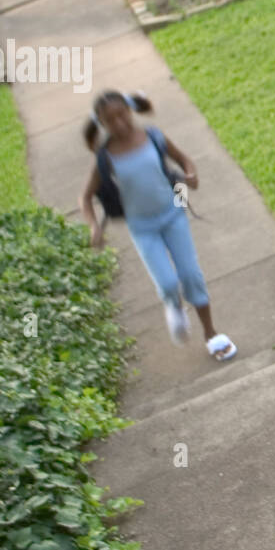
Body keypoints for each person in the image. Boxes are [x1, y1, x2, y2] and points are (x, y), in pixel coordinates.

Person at [79, 90, 237, 362]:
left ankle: (211, 334)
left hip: (173, 215)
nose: (118, 124)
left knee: (190, 275)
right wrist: (94, 226)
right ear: (101, 125)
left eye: (122, 115)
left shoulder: (153, 136)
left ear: (130, 111)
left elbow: (184, 160)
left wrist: (191, 175)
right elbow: (85, 197)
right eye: (110, 121)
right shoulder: (105, 158)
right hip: (142, 228)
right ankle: (173, 305)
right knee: (166, 283)